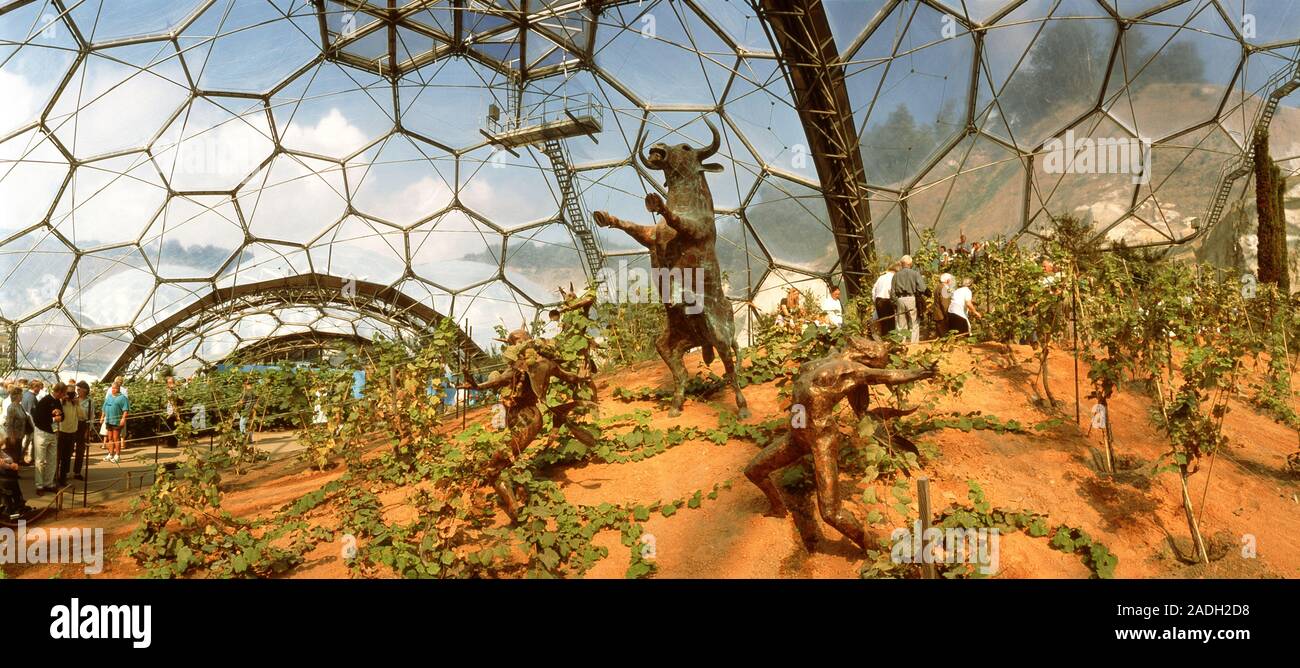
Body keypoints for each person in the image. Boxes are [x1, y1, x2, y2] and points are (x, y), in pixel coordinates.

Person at [30, 382, 65, 494]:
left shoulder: (57, 402)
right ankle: (39, 486)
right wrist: (54, 419)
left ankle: (49, 483)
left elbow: (62, 416)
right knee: (40, 460)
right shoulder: (44, 401)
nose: (63, 396)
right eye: (63, 393)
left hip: (53, 433)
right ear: (59, 392)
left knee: (52, 460)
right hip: (42, 433)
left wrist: (60, 414)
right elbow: (38, 419)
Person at [890, 255, 926, 344]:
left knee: (901, 323)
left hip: (900, 299)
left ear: (902, 264)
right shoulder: (915, 274)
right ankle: (913, 344)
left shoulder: (896, 275)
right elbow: (922, 288)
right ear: (910, 263)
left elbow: (892, 291)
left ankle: (901, 344)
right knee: (914, 323)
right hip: (911, 298)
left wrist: (895, 302)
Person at [55, 381, 81, 487]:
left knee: (67, 457)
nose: (70, 395)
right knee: (57, 457)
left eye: (72, 393)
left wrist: (77, 404)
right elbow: (55, 416)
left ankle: (63, 478)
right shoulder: (60, 402)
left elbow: (82, 415)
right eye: (68, 393)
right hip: (61, 432)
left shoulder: (75, 404)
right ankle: (54, 477)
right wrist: (62, 401)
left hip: (72, 433)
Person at [100, 380, 130, 464]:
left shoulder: (122, 398)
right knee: (110, 438)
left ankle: (117, 455)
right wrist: (102, 417)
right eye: (112, 388)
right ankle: (110, 454)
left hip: (117, 421)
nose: (113, 390)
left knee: (116, 438)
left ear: (118, 388)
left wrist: (123, 419)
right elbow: (104, 408)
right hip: (108, 420)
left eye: (115, 388)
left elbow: (126, 410)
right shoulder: (109, 396)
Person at [4, 386, 30, 467]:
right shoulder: (11, 407)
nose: (22, 396)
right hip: (14, 436)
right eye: (21, 394)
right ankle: (11, 475)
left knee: (17, 456)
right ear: (16, 396)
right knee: (12, 457)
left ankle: (15, 472)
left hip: (20, 436)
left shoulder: (20, 406)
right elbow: (9, 424)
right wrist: (11, 436)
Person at [871, 263, 897, 340]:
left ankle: (884, 339)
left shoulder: (881, 277)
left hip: (878, 300)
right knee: (891, 322)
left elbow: (873, 290)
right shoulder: (893, 277)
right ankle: (891, 340)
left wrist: (875, 301)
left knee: (882, 322)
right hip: (887, 300)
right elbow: (891, 290)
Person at [74, 381, 94, 480]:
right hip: (73, 425)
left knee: (80, 450)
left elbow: (91, 417)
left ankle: (77, 472)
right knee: (67, 449)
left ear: (85, 390)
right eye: (76, 389)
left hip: (83, 425)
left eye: (79, 389)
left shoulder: (90, 401)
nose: (77, 391)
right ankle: (63, 472)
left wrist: (88, 430)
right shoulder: (74, 400)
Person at [21, 380, 37, 465]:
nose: (39, 389)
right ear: (34, 387)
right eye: (38, 387)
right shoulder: (32, 397)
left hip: (25, 423)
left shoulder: (26, 394)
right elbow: (31, 412)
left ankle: (28, 458)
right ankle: (22, 458)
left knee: (28, 441)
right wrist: (34, 425)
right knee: (28, 441)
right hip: (30, 423)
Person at [163, 376, 180, 448]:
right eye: (169, 383)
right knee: (170, 427)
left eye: (172, 383)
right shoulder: (168, 391)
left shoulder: (174, 391)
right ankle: (171, 443)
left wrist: (177, 413)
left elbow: (174, 403)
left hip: (174, 412)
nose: (171, 384)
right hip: (170, 412)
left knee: (173, 427)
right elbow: (171, 403)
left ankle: (173, 443)